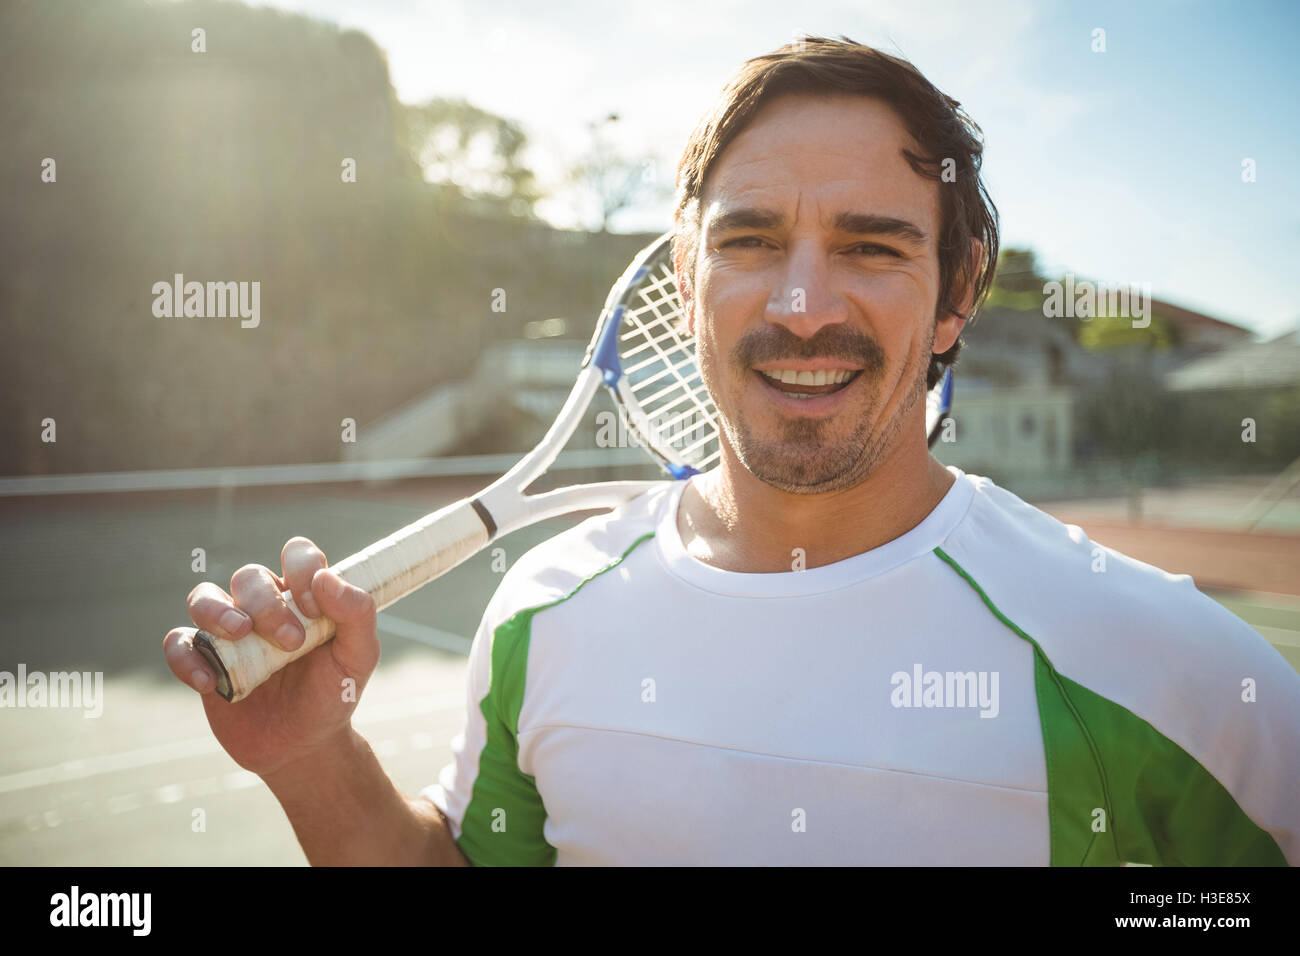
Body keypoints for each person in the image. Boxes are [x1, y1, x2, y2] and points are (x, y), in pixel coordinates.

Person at [163, 36, 1300, 866]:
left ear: (955, 296)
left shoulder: (1156, 655)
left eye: (872, 246)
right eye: (749, 240)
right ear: (686, 281)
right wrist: (312, 758)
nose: (803, 306)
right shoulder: (541, 611)